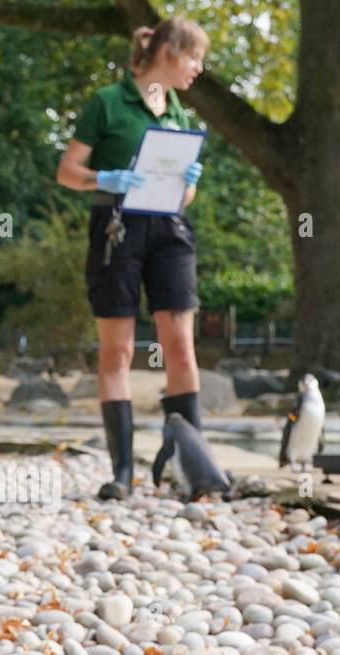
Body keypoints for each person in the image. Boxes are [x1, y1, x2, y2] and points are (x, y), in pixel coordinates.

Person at [56, 16, 210, 500]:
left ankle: (193, 466)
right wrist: (105, 179)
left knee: (181, 346)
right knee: (118, 351)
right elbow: (66, 171)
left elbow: (184, 198)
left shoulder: (178, 111)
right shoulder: (107, 102)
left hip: (170, 231)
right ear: (168, 52)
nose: (199, 69)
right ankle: (123, 472)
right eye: (194, 58)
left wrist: (190, 182)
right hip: (116, 228)